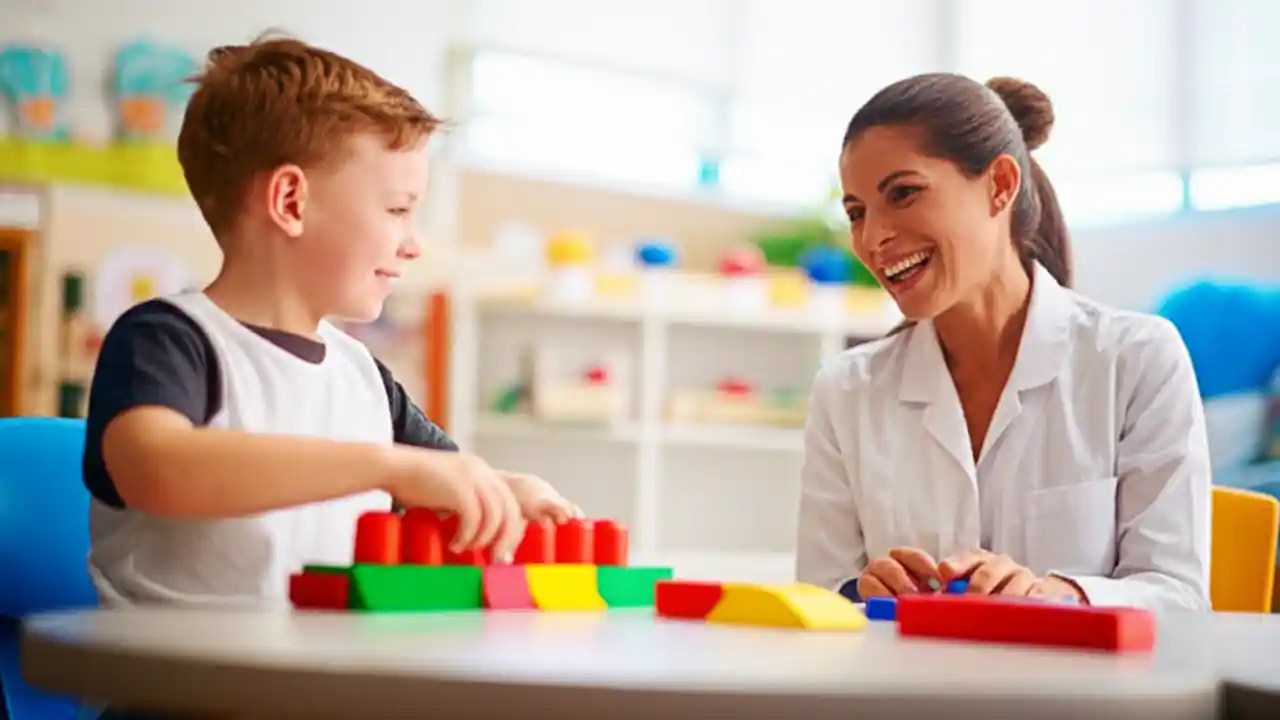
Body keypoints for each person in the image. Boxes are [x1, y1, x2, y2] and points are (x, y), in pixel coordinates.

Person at [83, 35, 580, 609]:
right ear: (291, 202)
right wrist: (386, 468)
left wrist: (512, 492)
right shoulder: (168, 341)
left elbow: (438, 482)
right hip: (175, 694)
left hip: (317, 688)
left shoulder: (362, 375)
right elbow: (159, 470)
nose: (412, 244)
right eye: (397, 209)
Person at [795, 73, 1211, 611]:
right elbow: (819, 599)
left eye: (903, 194)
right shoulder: (845, 390)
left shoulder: (1136, 360)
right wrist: (864, 593)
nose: (873, 239)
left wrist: (1051, 594)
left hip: (1075, 695)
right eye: (856, 213)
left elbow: (1178, 595)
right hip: (905, 692)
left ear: (999, 185)